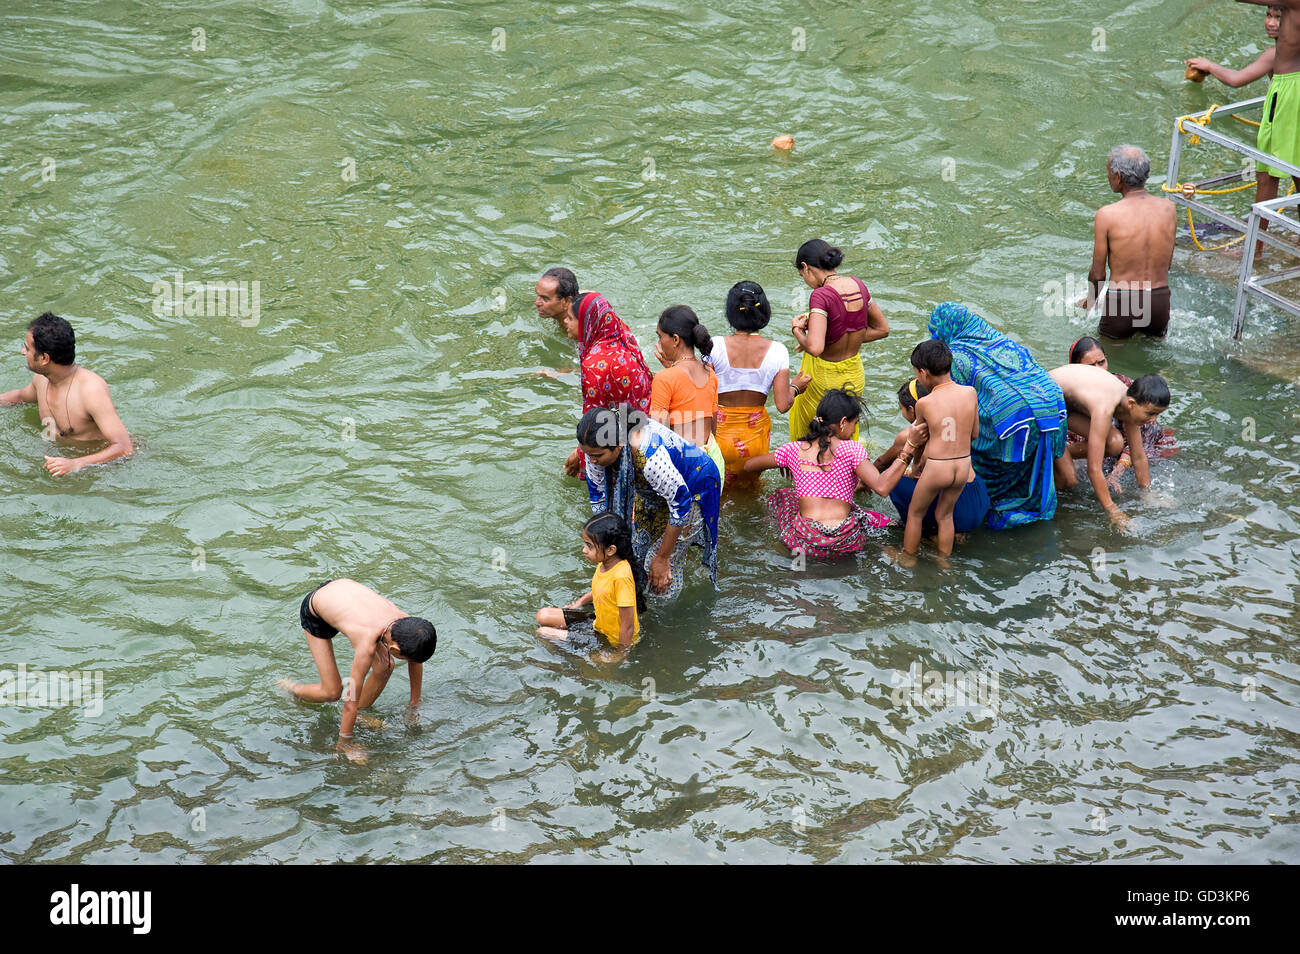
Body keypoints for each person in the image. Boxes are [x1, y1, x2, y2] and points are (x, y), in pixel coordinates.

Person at [928, 302, 1067, 529]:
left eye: (935, 331)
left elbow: (957, 405)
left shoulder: (956, 357)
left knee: (971, 444)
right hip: (1052, 405)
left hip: (1017, 419)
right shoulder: (998, 339)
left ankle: (994, 505)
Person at [277, 579, 437, 763]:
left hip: (340, 596)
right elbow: (350, 698)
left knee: (385, 666)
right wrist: (345, 742)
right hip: (316, 611)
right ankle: (292, 689)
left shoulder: (408, 625)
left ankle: (360, 715)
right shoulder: (366, 645)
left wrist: (414, 705)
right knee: (332, 692)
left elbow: (415, 661)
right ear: (394, 649)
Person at [744, 388, 915, 559]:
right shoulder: (852, 449)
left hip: (806, 542)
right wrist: (907, 451)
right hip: (845, 542)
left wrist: (785, 464)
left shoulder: (793, 450)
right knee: (871, 518)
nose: (854, 430)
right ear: (842, 422)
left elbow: (749, 466)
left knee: (782, 496)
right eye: (854, 423)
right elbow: (882, 487)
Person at [577, 406, 721, 599]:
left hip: (694, 489)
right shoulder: (595, 447)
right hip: (652, 491)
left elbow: (681, 507)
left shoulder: (649, 458)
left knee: (657, 566)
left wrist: (663, 558)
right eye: (588, 455)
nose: (592, 461)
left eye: (598, 456)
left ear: (619, 444)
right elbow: (598, 496)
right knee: (635, 551)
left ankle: (663, 613)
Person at [534, 267, 652, 476]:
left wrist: (580, 456)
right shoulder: (617, 334)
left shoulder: (594, 365)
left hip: (629, 435)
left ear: (567, 302)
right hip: (647, 422)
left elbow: (594, 423)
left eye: (570, 318)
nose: (537, 303)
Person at [1, 313, 133, 476]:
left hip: (104, 471)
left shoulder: (90, 391)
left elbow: (124, 447)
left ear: (44, 358)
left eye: (27, 348)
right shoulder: (41, 380)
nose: (22, 352)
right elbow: (20, 397)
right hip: (59, 461)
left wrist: (76, 464)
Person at [788, 239, 889, 441]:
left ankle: (807, 470)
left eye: (802, 275)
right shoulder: (858, 285)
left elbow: (815, 348)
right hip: (854, 374)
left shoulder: (821, 295)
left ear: (805, 267)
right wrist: (831, 335)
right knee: (846, 430)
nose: (805, 280)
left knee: (814, 434)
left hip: (823, 377)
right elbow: (882, 329)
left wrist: (798, 330)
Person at [710, 281, 809, 486]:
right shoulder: (778, 351)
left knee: (717, 490)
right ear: (764, 311)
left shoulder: (714, 346)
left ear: (731, 312)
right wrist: (796, 387)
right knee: (749, 491)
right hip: (754, 439)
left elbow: (702, 395)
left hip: (719, 435)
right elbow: (783, 405)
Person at [1049, 365, 1172, 527]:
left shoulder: (1130, 402)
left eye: (1158, 414)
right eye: (1150, 413)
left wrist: (1147, 492)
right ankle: (1050, 494)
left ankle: (1059, 455)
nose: (1153, 420)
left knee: (1114, 443)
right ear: (1131, 403)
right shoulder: (1104, 407)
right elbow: (1094, 469)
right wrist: (1113, 510)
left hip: (1066, 405)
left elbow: (1138, 456)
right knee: (1069, 478)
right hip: (1045, 400)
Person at [1079, 146, 1177, 338]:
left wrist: (1090, 302)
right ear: (1146, 174)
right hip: (1159, 300)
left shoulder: (1106, 214)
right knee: (1153, 362)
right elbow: (1168, 264)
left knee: (1107, 363)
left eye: (1109, 172)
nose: (1108, 177)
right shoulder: (1169, 208)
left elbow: (1098, 274)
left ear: (1118, 176)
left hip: (1122, 302)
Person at [876, 377, 991, 538]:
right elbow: (974, 435)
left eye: (901, 408)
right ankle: (954, 538)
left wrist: (860, 482)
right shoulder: (956, 423)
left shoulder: (907, 436)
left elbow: (882, 463)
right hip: (976, 502)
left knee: (895, 478)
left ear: (911, 409)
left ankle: (924, 538)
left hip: (952, 508)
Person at [1067, 337, 1179, 493]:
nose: (1099, 370)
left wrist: (1118, 472)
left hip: (1126, 445)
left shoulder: (1124, 386)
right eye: (1091, 366)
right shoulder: (1071, 396)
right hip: (1099, 446)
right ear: (1075, 369)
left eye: (1101, 362)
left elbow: (1139, 441)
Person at [902, 341, 979, 557]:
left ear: (924, 373)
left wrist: (917, 466)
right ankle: (944, 563)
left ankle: (908, 559)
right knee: (945, 515)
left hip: (937, 467)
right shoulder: (970, 392)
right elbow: (974, 434)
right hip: (962, 466)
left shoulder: (924, 404)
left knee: (915, 513)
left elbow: (919, 439)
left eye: (917, 373)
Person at [536, 513, 647, 662]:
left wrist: (620, 654)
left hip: (610, 639)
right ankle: (570, 636)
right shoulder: (605, 563)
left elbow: (627, 625)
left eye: (589, 546)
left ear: (611, 550)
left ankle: (567, 660)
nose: (584, 550)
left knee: (542, 632)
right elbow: (601, 591)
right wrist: (579, 603)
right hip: (598, 623)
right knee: (542, 615)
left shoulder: (621, 576)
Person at [1236, 2, 1300, 256]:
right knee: (1297, 172)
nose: (1272, 21)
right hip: (1294, 85)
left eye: (1277, 16)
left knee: (1266, 175)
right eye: (1269, 15)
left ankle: (1254, 249)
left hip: (1287, 90)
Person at [650, 305, 725, 479]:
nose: (659, 343)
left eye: (660, 337)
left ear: (675, 339)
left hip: (683, 466)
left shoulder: (665, 378)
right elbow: (713, 426)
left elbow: (658, 434)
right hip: (712, 462)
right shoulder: (710, 373)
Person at [1187, 6, 1280, 89]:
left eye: (1278, 17)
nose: (1270, 23)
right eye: (1268, 15)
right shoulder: (1293, 45)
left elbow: (1235, 80)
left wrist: (1209, 66)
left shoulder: (1275, 54)